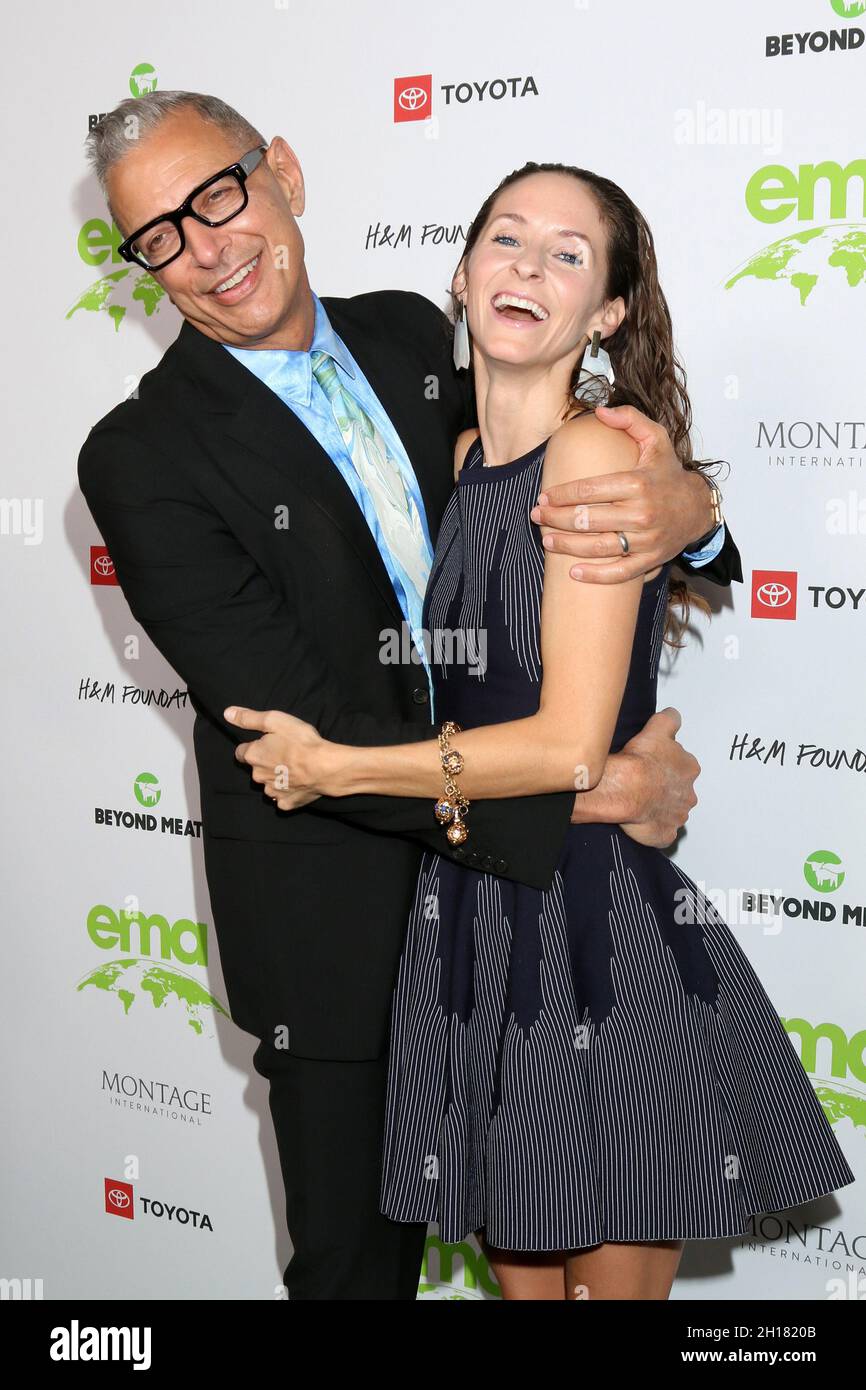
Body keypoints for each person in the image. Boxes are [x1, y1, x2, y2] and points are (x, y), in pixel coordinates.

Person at [78, 91, 740, 1301]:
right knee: (357, 1275)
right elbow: (302, 720)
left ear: (280, 169)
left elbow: (561, 483)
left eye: (218, 196)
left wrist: (689, 517)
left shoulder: (406, 337)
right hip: (336, 923)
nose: (205, 247)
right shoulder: (139, 456)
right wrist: (583, 786)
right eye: (157, 235)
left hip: (516, 922)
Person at [225, 161, 855, 1302]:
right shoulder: (456, 462)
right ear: (462, 276)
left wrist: (334, 767)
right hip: (467, 918)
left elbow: (567, 747)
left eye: (569, 254)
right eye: (506, 240)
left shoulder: (596, 455)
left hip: (590, 928)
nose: (529, 264)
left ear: (605, 312)